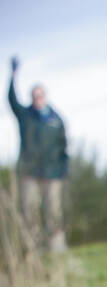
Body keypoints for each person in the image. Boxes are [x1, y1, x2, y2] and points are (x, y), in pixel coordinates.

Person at [7, 56, 69, 251]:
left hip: (53, 172)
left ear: (45, 96)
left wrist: (63, 169)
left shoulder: (56, 120)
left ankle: (57, 247)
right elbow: (11, 100)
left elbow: (63, 147)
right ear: (31, 98)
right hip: (30, 172)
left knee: (53, 211)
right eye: (34, 96)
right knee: (30, 211)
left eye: (40, 95)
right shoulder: (25, 116)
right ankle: (34, 249)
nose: (38, 99)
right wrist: (13, 76)